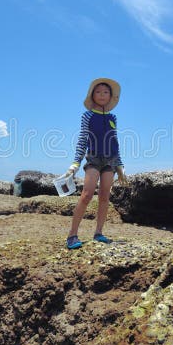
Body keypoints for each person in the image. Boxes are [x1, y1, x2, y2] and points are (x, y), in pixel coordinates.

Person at [64, 77, 128, 249]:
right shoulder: (88, 115)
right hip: (93, 158)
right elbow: (82, 139)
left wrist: (120, 167)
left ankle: (98, 233)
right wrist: (75, 164)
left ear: (110, 96)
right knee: (86, 195)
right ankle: (72, 235)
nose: (102, 95)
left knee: (105, 196)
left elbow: (115, 142)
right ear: (92, 95)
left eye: (105, 92)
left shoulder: (113, 117)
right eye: (98, 92)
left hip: (110, 161)